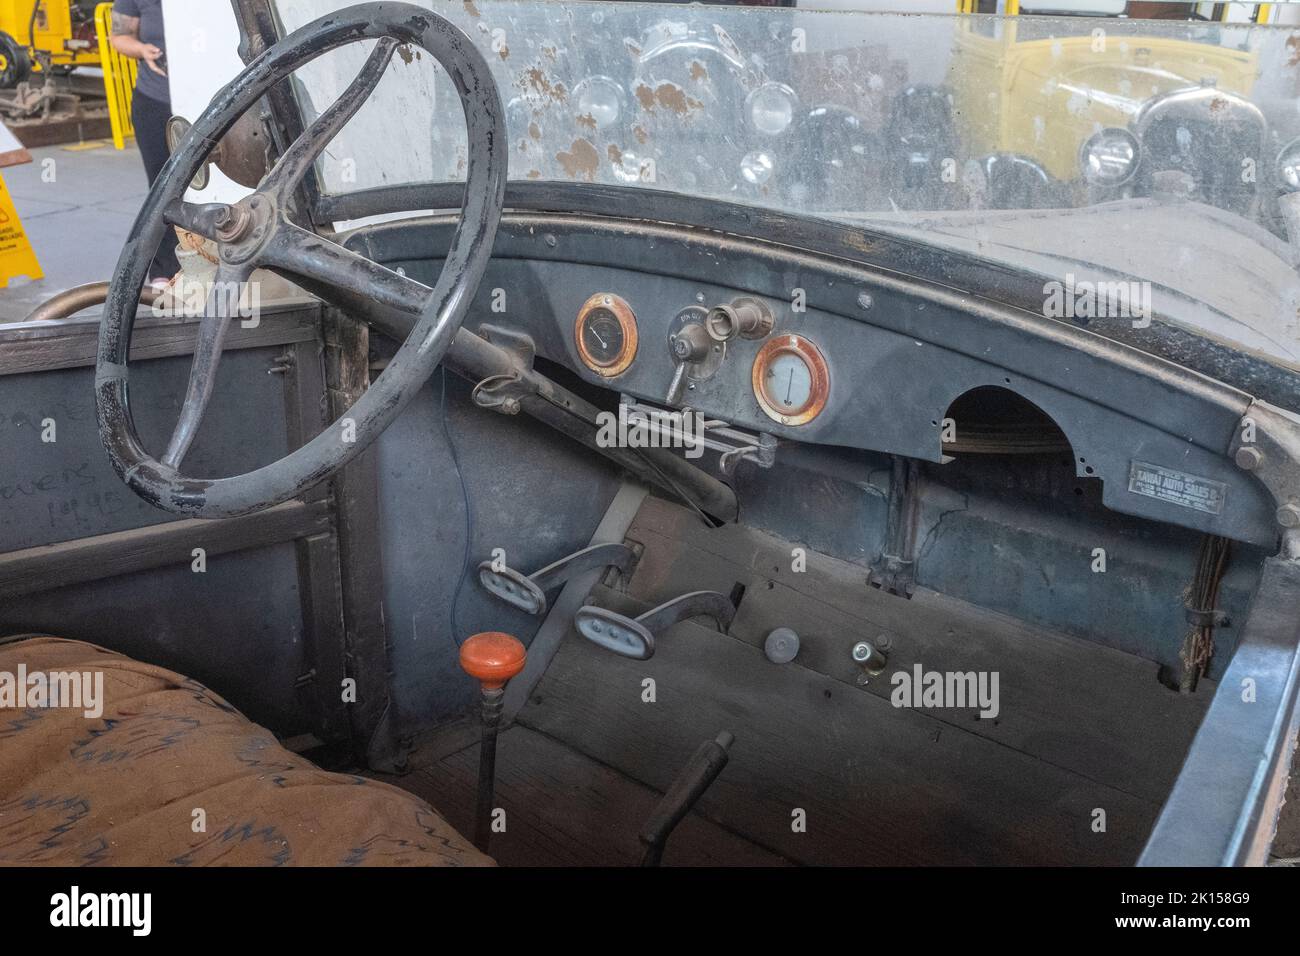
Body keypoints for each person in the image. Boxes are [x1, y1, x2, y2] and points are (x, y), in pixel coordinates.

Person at [110, 0, 178, 288]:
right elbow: (119, 37)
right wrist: (141, 50)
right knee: (163, 187)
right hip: (155, 102)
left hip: (209, 100)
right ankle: (165, 269)